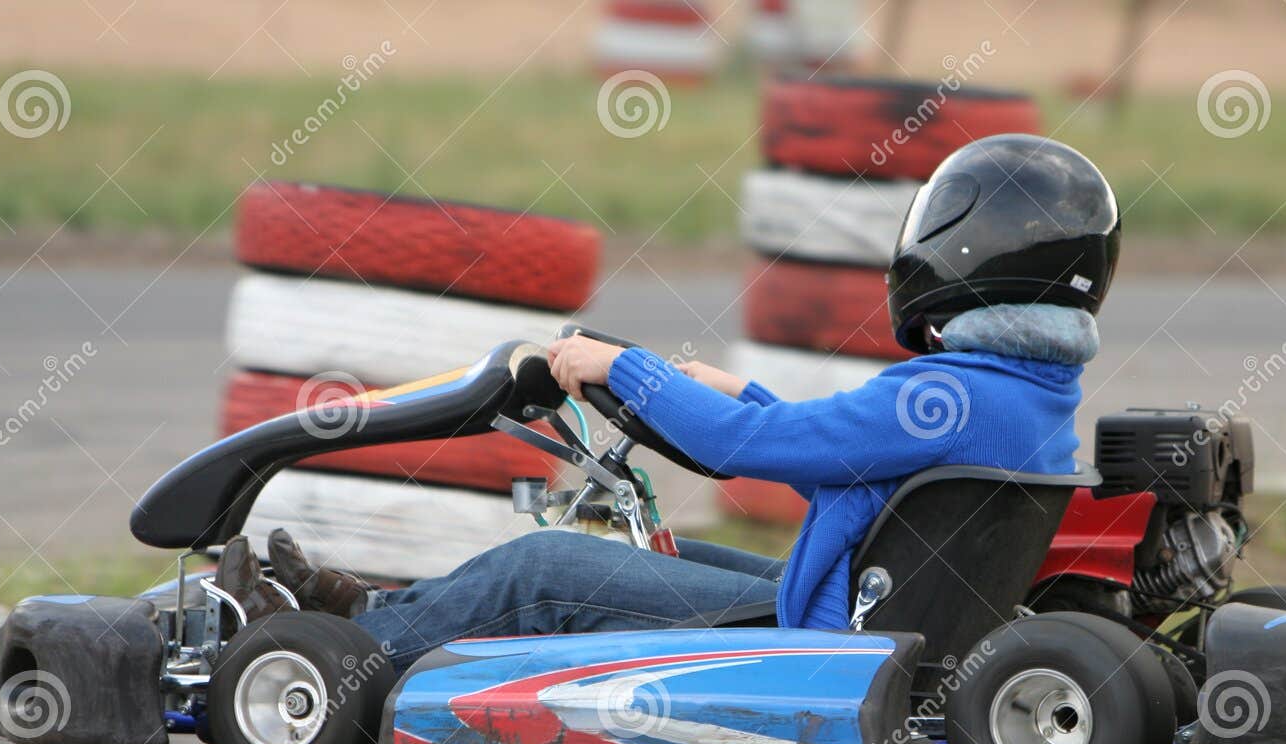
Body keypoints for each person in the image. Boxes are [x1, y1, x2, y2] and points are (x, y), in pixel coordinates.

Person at [213, 134, 1122, 671]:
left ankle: (336, 653)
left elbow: (744, 451)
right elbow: (858, 469)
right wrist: (737, 392)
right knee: (663, 550)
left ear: (979, 255)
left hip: (839, 644)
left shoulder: (948, 393)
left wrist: (624, 367)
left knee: (548, 568)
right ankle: (359, 604)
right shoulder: (1027, 392)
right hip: (890, 605)